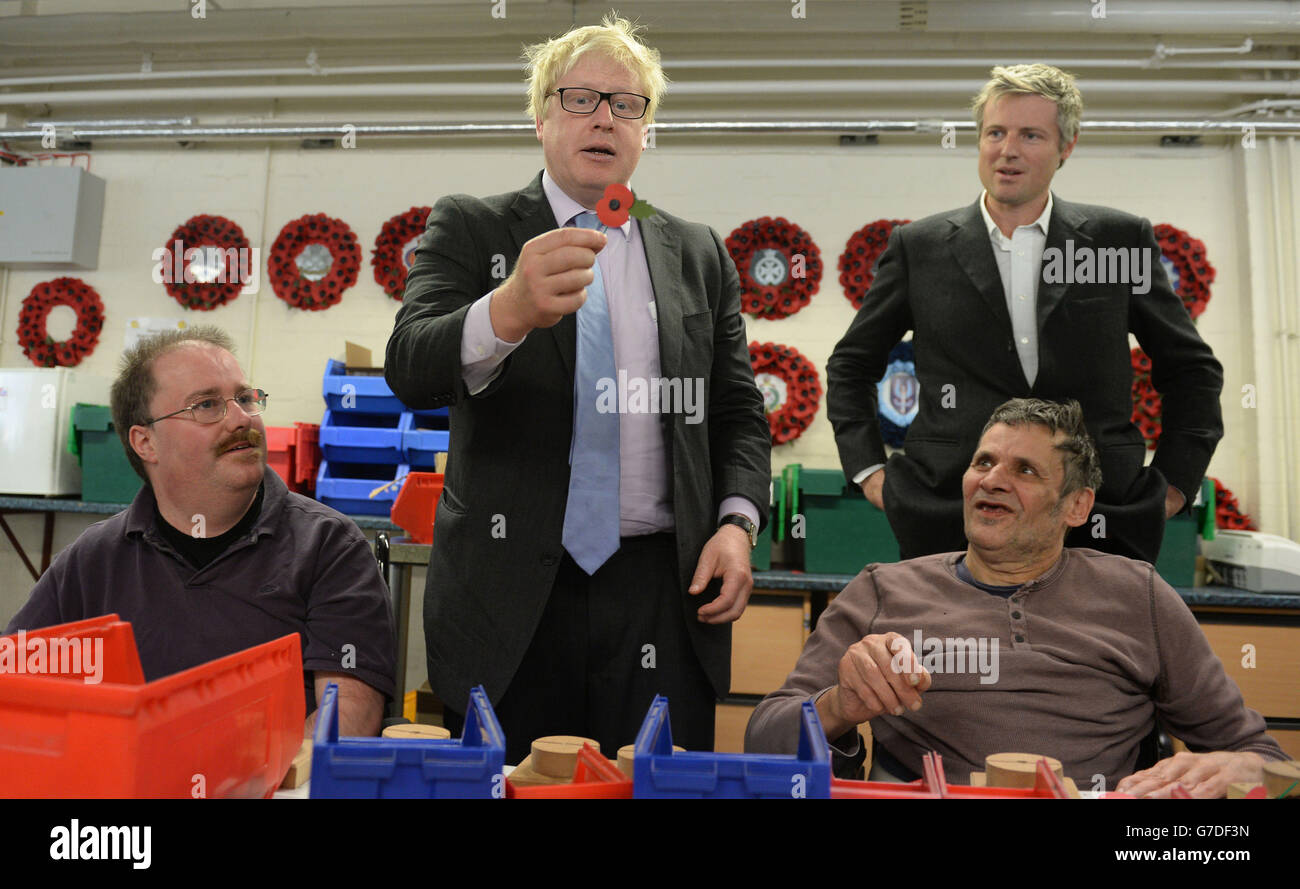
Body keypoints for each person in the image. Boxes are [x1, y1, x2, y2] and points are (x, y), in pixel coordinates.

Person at [384, 15, 770, 763]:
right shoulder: (472, 226)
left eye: (628, 105)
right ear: (540, 117)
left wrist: (737, 521)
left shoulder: (696, 252)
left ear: (646, 131)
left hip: (662, 590)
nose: (605, 118)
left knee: (652, 785)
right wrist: (505, 311)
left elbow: (735, 409)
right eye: (582, 98)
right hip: (510, 598)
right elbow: (409, 365)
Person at [746, 399, 1285, 798]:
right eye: (983, 463)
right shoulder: (883, 589)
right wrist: (839, 706)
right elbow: (763, 742)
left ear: (1077, 506)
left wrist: (1242, 769)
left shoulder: (1138, 594)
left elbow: (1261, 754)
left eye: (1024, 470)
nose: (992, 481)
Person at [826, 63, 1223, 563]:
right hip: (949, 509)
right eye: (995, 132)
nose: (1007, 150)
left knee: (1093, 644)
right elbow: (851, 365)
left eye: (1030, 135)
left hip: (1101, 509)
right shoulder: (919, 247)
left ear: (1066, 147)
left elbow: (1192, 370)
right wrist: (870, 473)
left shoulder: (1118, 240)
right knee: (950, 644)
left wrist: (1175, 486)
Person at [4, 327, 394, 737]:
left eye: (245, 399)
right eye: (207, 404)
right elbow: (15, 689)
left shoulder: (330, 547)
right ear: (145, 442)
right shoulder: (92, 561)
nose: (243, 418)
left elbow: (346, 722)